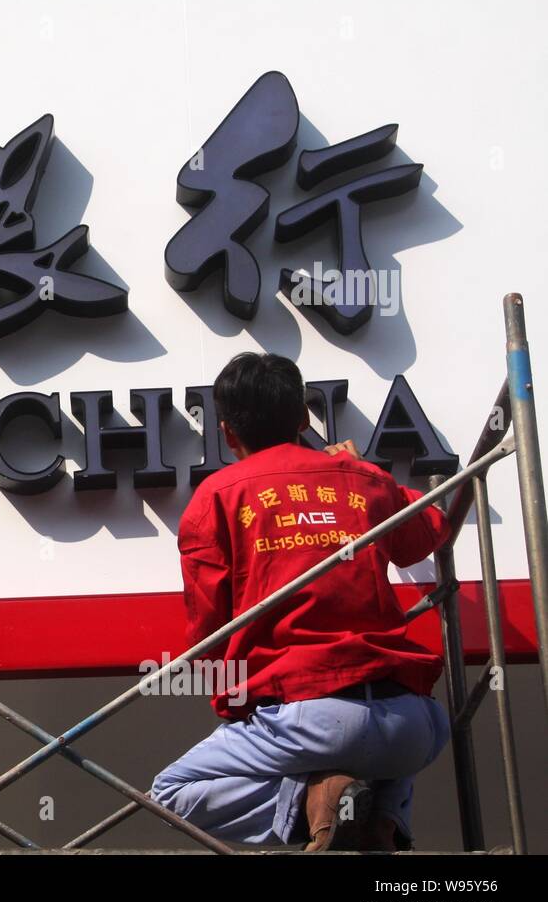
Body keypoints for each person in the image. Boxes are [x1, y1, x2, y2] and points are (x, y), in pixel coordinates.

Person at [150, 353, 451, 852]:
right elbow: (429, 533)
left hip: (306, 722)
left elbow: (208, 636)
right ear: (303, 419)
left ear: (226, 432)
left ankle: (315, 799)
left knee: (168, 794)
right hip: (414, 726)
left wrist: (235, 693)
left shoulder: (217, 496)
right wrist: (359, 470)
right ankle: (379, 818)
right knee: (372, 757)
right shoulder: (361, 479)